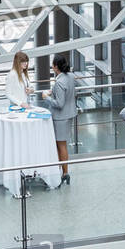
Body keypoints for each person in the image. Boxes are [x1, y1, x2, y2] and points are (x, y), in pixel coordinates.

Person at [41, 53, 77, 185]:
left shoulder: (59, 82)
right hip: (70, 114)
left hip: (60, 118)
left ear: (55, 67)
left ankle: (63, 173)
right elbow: (70, 93)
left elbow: (59, 104)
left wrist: (47, 97)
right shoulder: (71, 76)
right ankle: (61, 172)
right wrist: (53, 91)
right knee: (62, 145)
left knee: (60, 145)